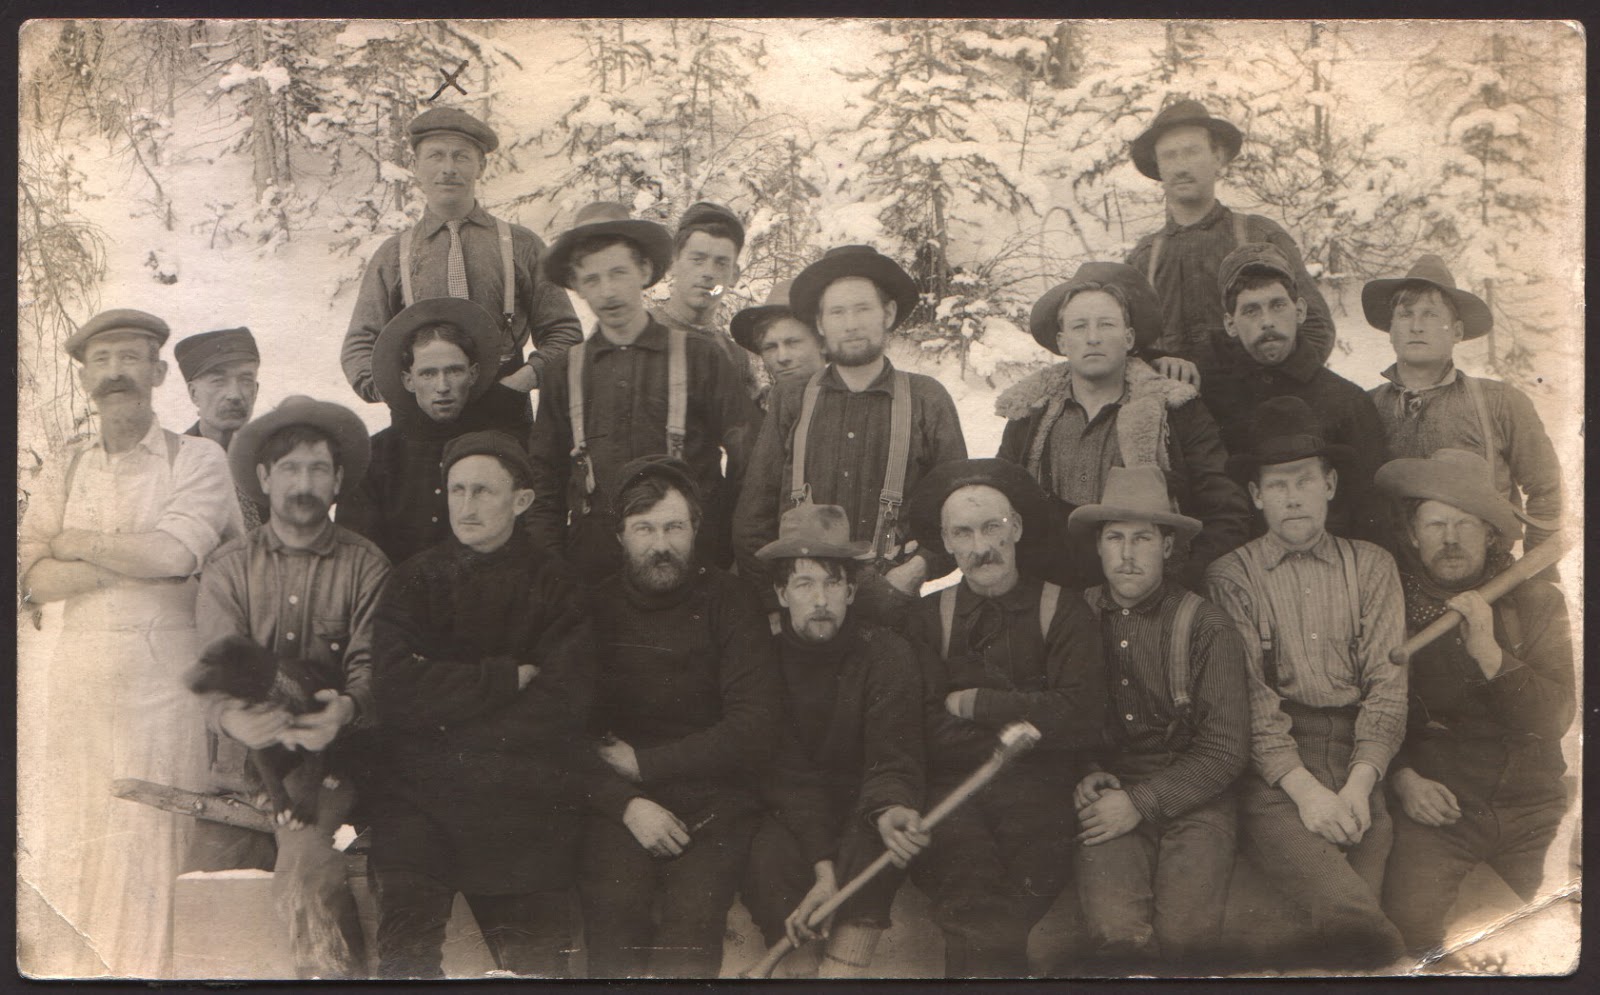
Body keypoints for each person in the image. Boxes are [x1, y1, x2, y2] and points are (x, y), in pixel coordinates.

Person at [18, 308, 241, 976]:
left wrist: (74, 545)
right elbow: (28, 568)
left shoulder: (198, 457)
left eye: (131, 358)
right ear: (85, 374)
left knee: (153, 846)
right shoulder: (65, 465)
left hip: (164, 687)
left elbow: (176, 552)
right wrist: (117, 561)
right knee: (77, 844)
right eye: (103, 359)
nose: (116, 372)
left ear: (159, 372)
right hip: (79, 687)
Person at [368, 431, 595, 979]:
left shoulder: (557, 586)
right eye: (456, 490)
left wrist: (447, 708)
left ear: (521, 501)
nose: (465, 507)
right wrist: (501, 680)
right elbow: (394, 688)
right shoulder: (414, 580)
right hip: (423, 797)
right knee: (405, 953)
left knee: (537, 966)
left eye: (483, 492)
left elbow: (563, 703)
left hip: (519, 798)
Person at [1205, 396, 1408, 969]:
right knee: (1353, 917)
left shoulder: (1372, 566)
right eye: (1276, 485)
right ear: (1255, 496)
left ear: (1331, 484)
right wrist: (1308, 793)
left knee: (1352, 897)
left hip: (1358, 759)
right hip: (1274, 770)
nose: (1292, 497)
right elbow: (1249, 701)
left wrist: (1359, 786)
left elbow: (1387, 689)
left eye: (1304, 481)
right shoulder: (1231, 576)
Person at [187, 396, 386, 979]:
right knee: (200, 900)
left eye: (319, 469)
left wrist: (346, 709)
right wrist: (233, 719)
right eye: (291, 469)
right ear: (265, 478)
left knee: (307, 880)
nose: (305, 483)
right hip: (237, 772)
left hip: (327, 772)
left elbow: (375, 667)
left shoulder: (367, 566)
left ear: (338, 480)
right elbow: (213, 671)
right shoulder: (226, 568)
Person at [901, 458, 1107, 977]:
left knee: (1004, 900)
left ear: (1015, 528)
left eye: (992, 527)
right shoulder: (929, 618)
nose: (980, 547)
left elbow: (1081, 714)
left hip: (1039, 800)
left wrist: (976, 704)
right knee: (970, 888)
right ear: (946, 543)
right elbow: (919, 725)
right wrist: (1027, 729)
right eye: (963, 533)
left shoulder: (1064, 609)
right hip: (953, 797)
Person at [578, 456, 781, 978]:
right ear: (620, 535)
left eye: (673, 527)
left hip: (715, 801)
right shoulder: (591, 609)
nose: (660, 545)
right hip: (620, 803)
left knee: (691, 924)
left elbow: (753, 726)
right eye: (643, 529)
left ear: (696, 529)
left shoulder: (731, 602)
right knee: (614, 911)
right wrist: (626, 803)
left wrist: (645, 764)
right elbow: (565, 728)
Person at [1373, 449, 1574, 961]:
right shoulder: (1388, 607)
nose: (1451, 538)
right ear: (1414, 535)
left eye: (1466, 523)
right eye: (1436, 523)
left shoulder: (1539, 602)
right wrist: (1403, 779)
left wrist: (1489, 650)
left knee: (1544, 942)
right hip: (1441, 810)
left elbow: (1556, 719)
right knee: (1412, 927)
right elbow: (1366, 711)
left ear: (1490, 534)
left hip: (1532, 809)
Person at [1066, 466, 1249, 971]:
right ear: (1098, 546)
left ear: (1168, 546)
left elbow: (1225, 751)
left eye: (1143, 538)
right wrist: (1086, 769)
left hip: (1195, 794)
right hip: (1109, 791)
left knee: (1188, 938)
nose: (1127, 554)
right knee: (1116, 934)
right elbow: (1059, 712)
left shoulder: (1206, 623)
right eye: (1115, 538)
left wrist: (1140, 802)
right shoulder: (1073, 614)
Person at [734, 244, 967, 625]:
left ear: (887, 314)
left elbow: (958, 511)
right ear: (821, 324)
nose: (851, 323)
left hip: (892, 608)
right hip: (804, 613)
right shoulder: (792, 400)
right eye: (837, 312)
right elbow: (752, 521)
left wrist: (914, 571)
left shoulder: (928, 400)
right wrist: (776, 605)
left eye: (863, 308)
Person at [741, 503, 926, 978]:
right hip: (792, 807)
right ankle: (801, 971)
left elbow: (893, 759)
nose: (819, 599)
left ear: (850, 590)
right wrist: (823, 869)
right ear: (782, 593)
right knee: (767, 855)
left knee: (883, 837)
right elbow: (783, 774)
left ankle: (842, 972)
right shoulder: (761, 660)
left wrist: (889, 809)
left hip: (863, 802)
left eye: (831, 583)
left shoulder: (886, 653)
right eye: (804, 584)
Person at [528, 203, 758, 582]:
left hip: (688, 565)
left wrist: (725, 550)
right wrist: (553, 567)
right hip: (594, 568)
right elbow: (545, 482)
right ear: (577, 286)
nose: (609, 292)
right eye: (593, 279)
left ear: (645, 271)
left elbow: (749, 462)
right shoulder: (564, 372)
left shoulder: (702, 358)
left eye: (619, 273)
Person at [995, 261, 1251, 591]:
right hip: (1050, 595)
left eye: (1106, 325)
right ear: (1061, 342)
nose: (1092, 338)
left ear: (1129, 338)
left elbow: (1226, 511)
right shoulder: (1030, 416)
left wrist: (1178, 578)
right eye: (1079, 327)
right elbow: (1001, 506)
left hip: (1147, 597)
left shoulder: (1176, 411)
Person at [341, 106, 581, 433]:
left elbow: (565, 333)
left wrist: (526, 378)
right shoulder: (393, 254)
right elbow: (360, 344)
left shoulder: (522, 245)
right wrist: (401, 392)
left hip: (505, 416)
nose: (449, 169)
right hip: (420, 424)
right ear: (416, 167)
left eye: (461, 157)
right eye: (436, 156)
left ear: (481, 166)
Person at [1123, 99, 1334, 385]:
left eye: (1192, 152)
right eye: (1170, 156)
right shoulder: (1144, 258)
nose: (1181, 166)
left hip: (1255, 412)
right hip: (1175, 416)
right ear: (1158, 167)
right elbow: (1125, 347)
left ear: (1218, 157)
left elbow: (1316, 327)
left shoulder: (1260, 237)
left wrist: (1274, 390)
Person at [1363, 255, 1562, 555]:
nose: (1416, 326)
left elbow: (1547, 493)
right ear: (1390, 330)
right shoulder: (1365, 407)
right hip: (1392, 584)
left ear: (1456, 331)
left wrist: (1534, 576)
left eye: (1430, 314)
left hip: (1486, 586)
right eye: (1405, 314)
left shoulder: (1500, 403)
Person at [1206, 243, 1390, 547]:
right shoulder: (1213, 401)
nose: (1266, 321)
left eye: (1277, 305)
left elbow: (1373, 516)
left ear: (1301, 310)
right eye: (1251, 310)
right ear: (1230, 324)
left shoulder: (1348, 401)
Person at [336, 297, 507, 566]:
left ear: (472, 375)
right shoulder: (374, 458)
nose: (442, 386)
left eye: (454, 371)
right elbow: (358, 558)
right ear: (408, 380)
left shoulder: (501, 448)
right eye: (428, 374)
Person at [648, 200, 762, 399]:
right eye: (698, 260)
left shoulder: (735, 358)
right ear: (673, 264)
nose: (708, 273)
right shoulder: (640, 333)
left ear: (734, 275)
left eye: (721, 263)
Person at [174, 326, 268, 528]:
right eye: (218, 381)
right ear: (193, 394)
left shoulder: (275, 459)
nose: (234, 394)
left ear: (256, 390)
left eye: (245, 380)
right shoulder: (172, 463)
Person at [729, 278, 826, 413]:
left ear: (822, 344)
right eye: (770, 347)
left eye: (792, 342)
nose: (782, 357)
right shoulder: (753, 414)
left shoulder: (852, 405)